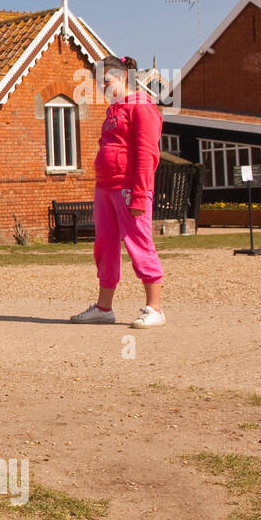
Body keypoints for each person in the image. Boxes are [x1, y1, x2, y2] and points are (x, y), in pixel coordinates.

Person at [70, 55, 166, 328]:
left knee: (139, 243)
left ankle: (154, 308)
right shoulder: (113, 111)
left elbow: (147, 154)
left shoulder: (142, 108)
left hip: (129, 189)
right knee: (105, 246)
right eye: (99, 82)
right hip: (105, 188)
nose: (102, 87)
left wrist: (139, 194)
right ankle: (104, 308)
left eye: (106, 81)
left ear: (124, 77)